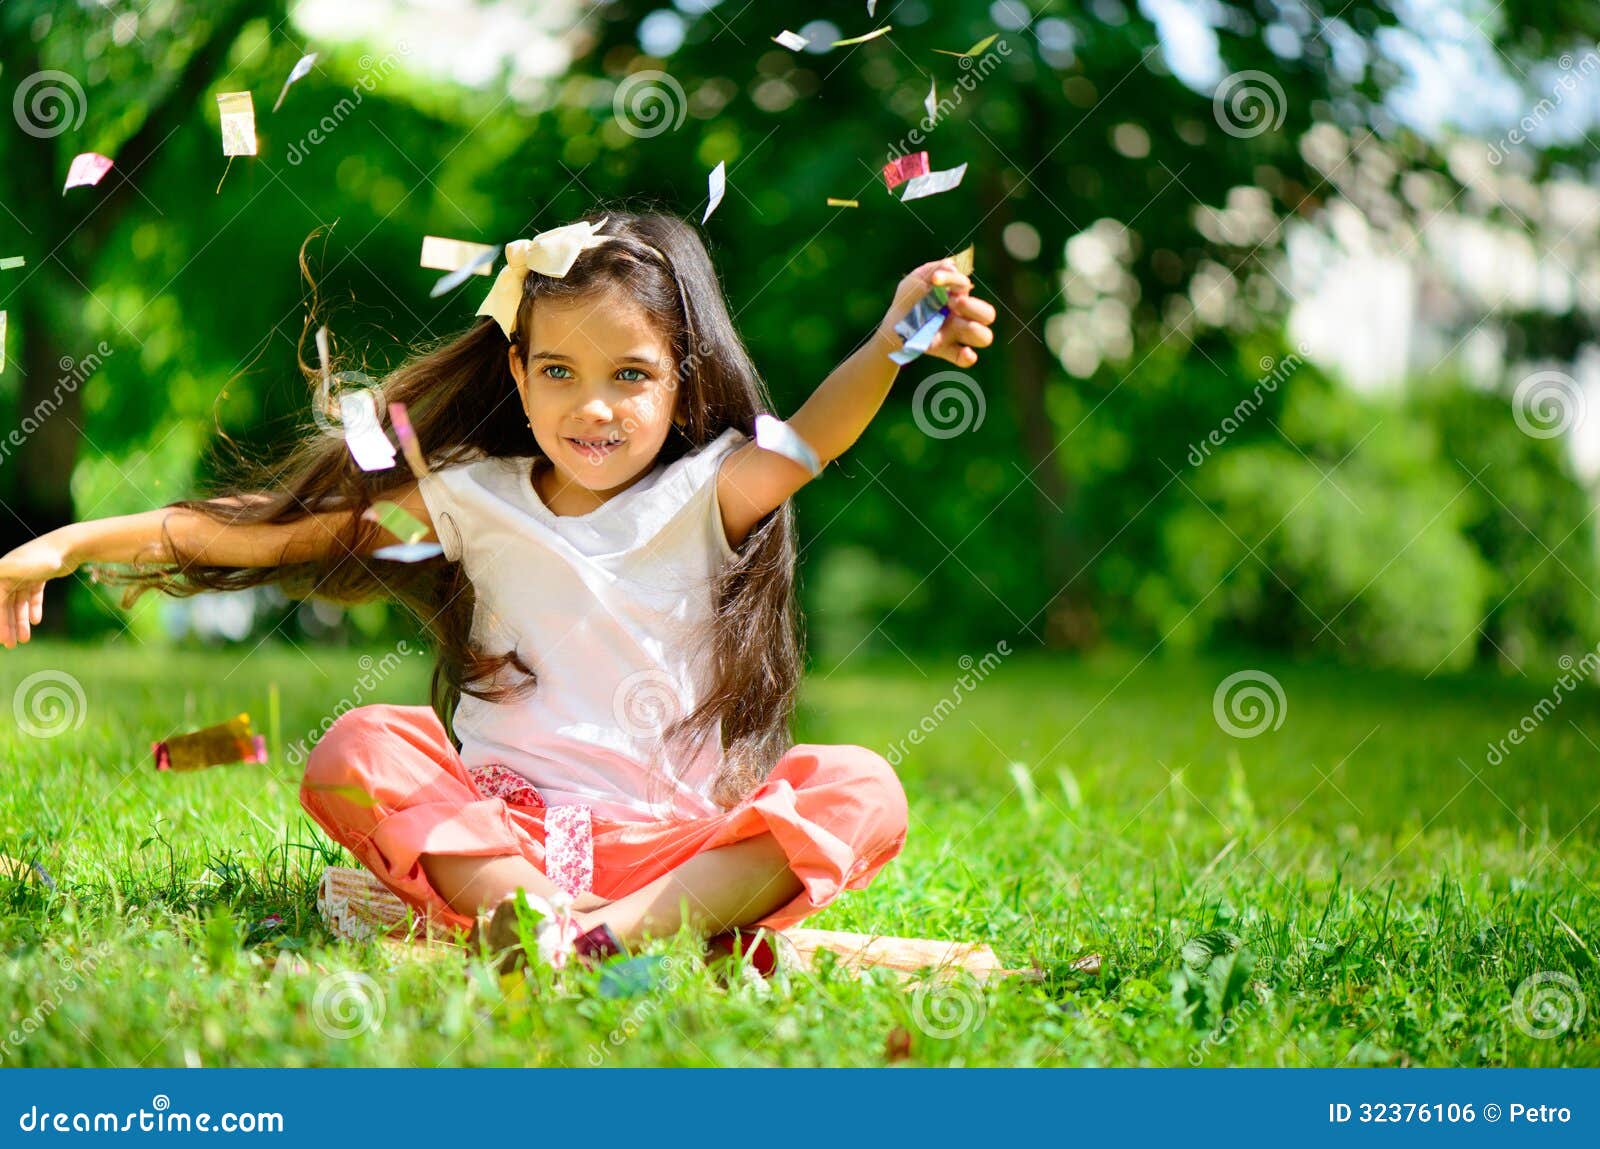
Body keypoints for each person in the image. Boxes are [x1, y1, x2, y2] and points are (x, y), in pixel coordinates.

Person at [0, 208, 997, 969]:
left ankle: (602, 940)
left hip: (673, 854)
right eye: (557, 371)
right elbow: (274, 535)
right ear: (516, 374)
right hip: (508, 843)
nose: (591, 406)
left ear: (684, 385)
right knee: (363, 744)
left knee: (860, 782)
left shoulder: (714, 494)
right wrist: (71, 542)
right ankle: (540, 927)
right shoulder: (469, 502)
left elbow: (817, 431)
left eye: (630, 376)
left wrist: (893, 341)